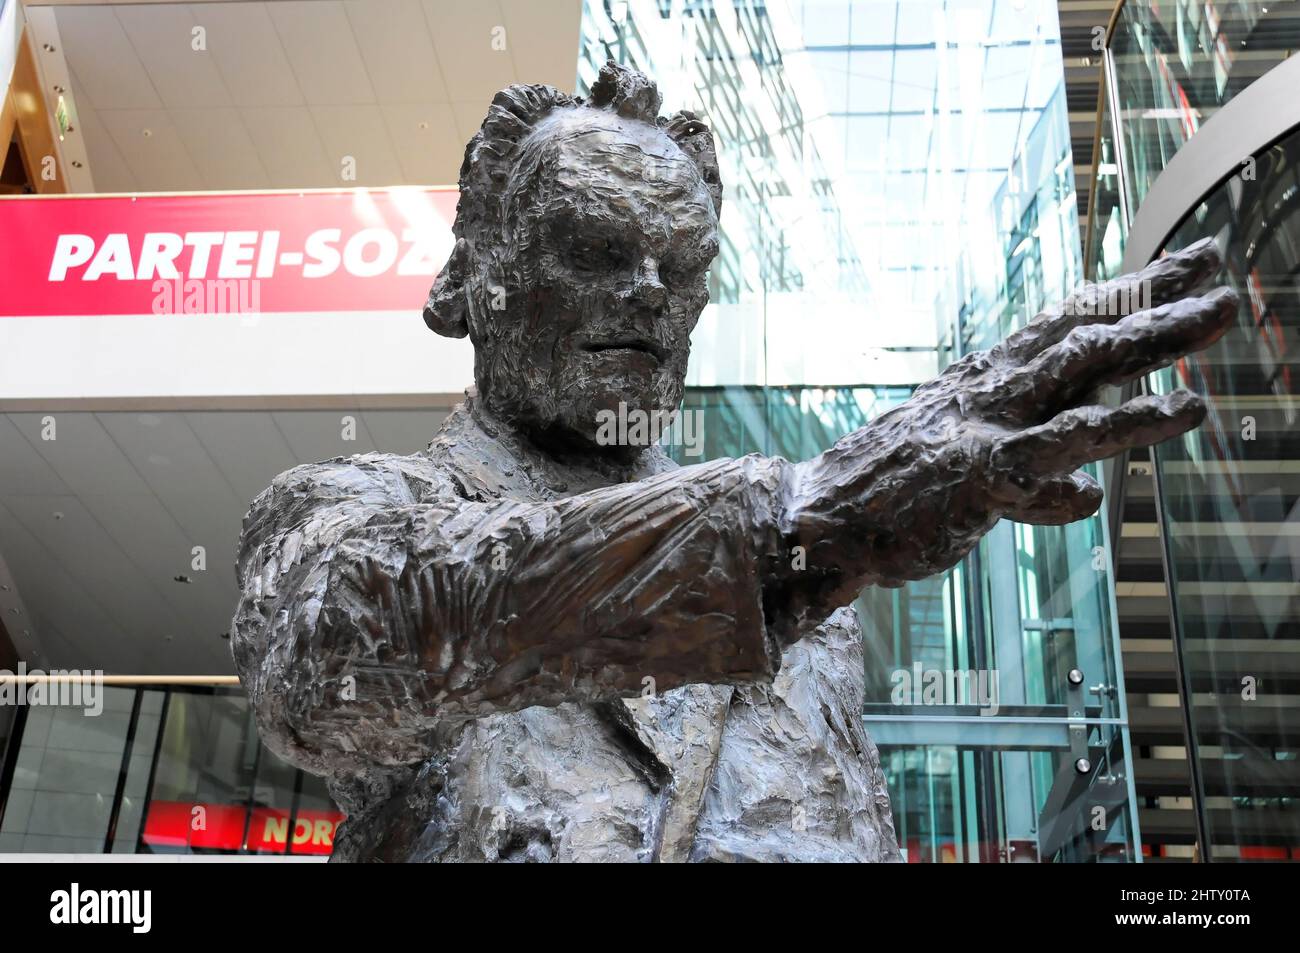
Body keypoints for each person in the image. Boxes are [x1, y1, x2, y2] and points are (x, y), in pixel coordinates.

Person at [231, 62, 1236, 862]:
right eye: (592, 246)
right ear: (467, 280)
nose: (646, 292)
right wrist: (796, 524)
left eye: (683, 266)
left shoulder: (814, 594)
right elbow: (338, 648)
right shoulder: (358, 511)